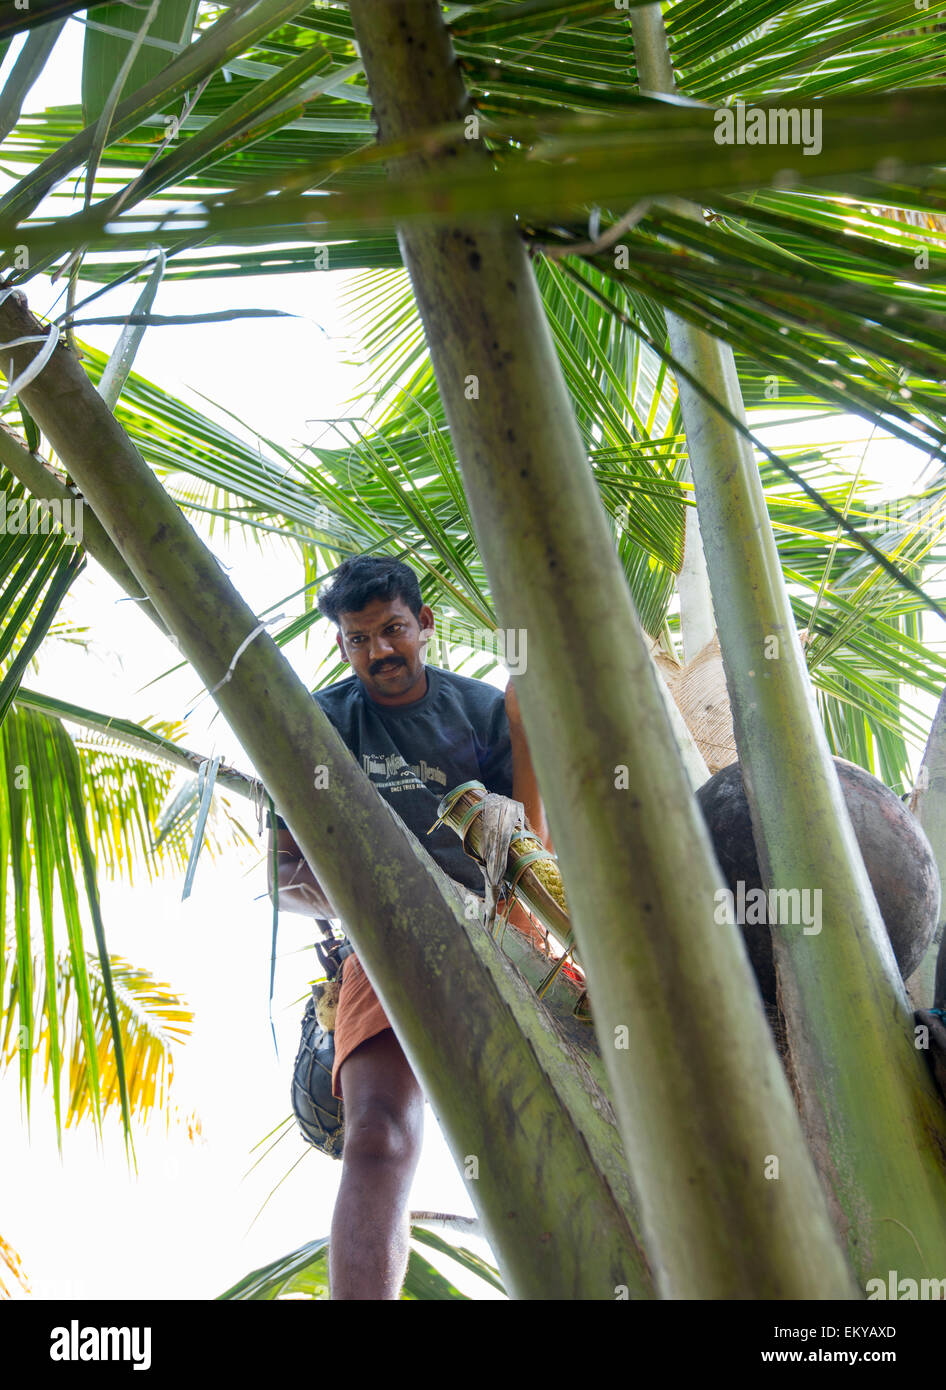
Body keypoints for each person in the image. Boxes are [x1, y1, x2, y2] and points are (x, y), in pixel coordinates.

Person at [266, 555, 554, 1300]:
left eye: (393, 630)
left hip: (507, 935)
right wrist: (370, 901)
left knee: (548, 1151)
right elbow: (283, 875)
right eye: (358, 639)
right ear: (340, 646)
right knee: (378, 1137)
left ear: (423, 626)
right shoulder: (322, 723)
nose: (379, 652)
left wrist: (524, 736)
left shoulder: (486, 712)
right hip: (387, 949)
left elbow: (534, 854)